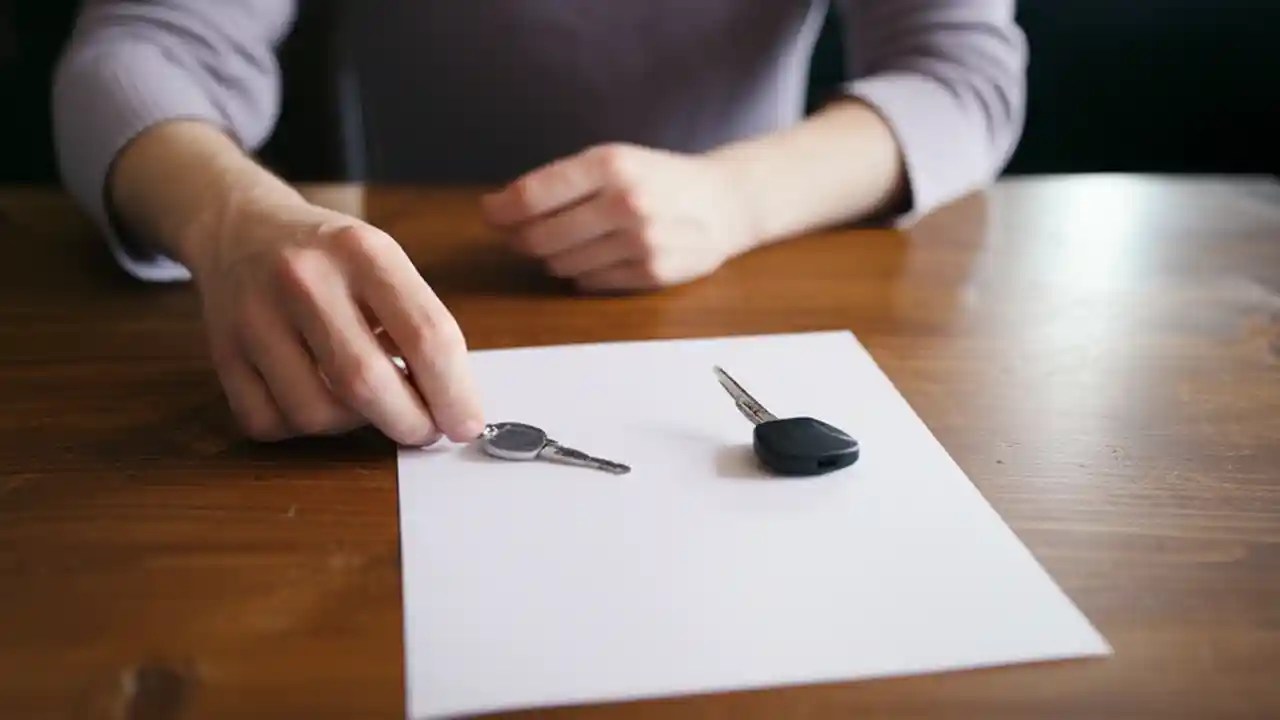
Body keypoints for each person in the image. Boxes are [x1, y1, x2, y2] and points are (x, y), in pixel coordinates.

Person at [52, 1, 1026, 446]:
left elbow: (961, 76)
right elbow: (138, 47)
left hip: (745, 290)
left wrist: (734, 196)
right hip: (404, 310)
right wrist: (230, 218)